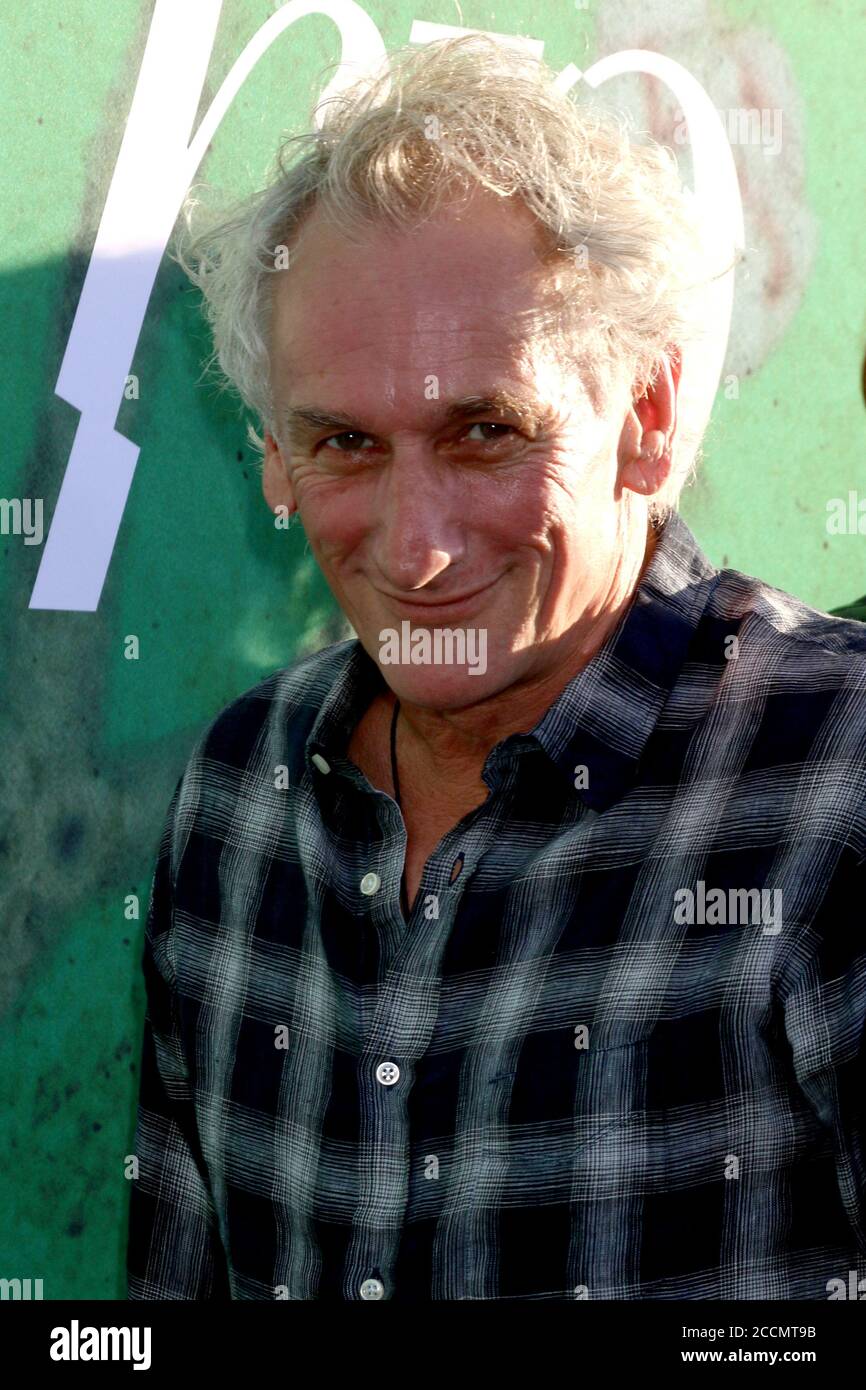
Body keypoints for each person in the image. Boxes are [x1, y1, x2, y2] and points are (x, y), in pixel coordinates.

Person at [127, 35, 866, 1300]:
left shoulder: (832, 772)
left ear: (645, 416)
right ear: (274, 457)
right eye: (345, 443)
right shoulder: (241, 791)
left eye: (484, 432)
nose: (415, 548)